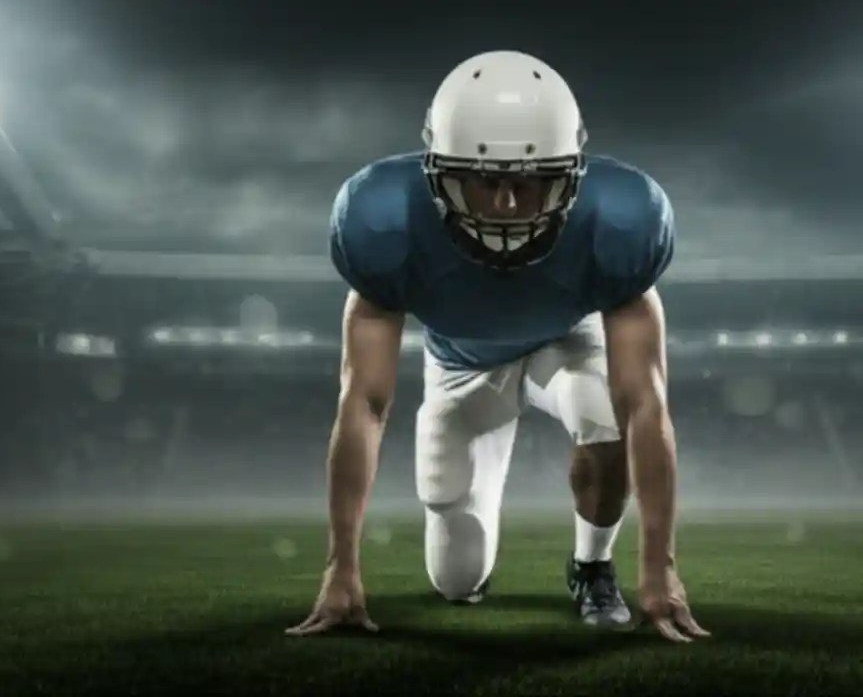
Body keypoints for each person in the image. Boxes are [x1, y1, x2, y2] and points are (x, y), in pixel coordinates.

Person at [286, 50, 708, 643]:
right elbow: (362, 404)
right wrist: (341, 568)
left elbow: (647, 405)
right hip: (461, 369)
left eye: (532, 182)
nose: (507, 205)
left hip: (567, 339)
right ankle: (469, 565)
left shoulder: (621, 222)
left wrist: (661, 569)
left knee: (608, 416)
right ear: (437, 172)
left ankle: (591, 564)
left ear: (572, 173)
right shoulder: (382, 220)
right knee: (456, 579)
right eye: (484, 181)